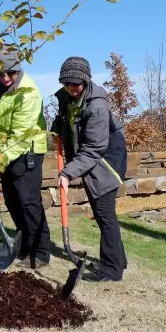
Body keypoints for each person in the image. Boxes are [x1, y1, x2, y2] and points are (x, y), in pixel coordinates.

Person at [52, 56, 127, 282]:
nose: (71, 88)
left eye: (76, 84)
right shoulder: (67, 97)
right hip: (90, 158)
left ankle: (112, 270)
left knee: (105, 215)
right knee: (102, 213)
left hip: (106, 162)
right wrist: (58, 126)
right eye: (66, 84)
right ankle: (119, 260)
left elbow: (94, 148)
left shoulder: (97, 106)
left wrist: (67, 172)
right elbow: (68, 120)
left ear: (85, 81)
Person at [0, 50, 51, 269]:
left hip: (27, 150)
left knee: (28, 202)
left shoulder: (28, 92)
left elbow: (21, 135)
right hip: (5, 151)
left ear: (18, 70)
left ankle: (40, 253)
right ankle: (24, 244)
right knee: (12, 201)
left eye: (11, 73)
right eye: (1, 73)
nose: (6, 78)